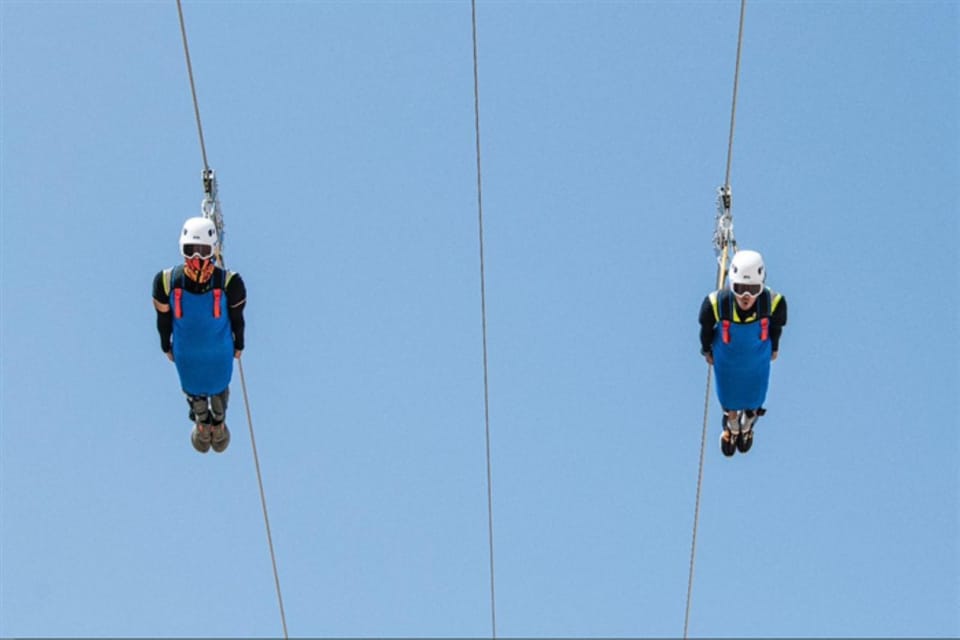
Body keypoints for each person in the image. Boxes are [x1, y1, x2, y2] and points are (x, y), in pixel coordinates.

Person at [152, 217, 246, 453]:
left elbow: (236, 318)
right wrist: (166, 345)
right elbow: (163, 318)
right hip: (193, 353)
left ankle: (214, 419)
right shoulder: (166, 282)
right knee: (199, 386)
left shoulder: (228, 283)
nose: (197, 259)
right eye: (191, 251)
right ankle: (204, 419)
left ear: (212, 250)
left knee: (213, 385)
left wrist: (239, 343)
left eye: (203, 252)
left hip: (210, 352)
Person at [699, 249, 787, 457]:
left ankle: (748, 422)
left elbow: (776, 327)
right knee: (729, 396)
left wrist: (774, 347)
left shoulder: (773, 303)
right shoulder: (717, 304)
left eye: (753, 289)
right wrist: (706, 350)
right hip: (728, 359)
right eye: (740, 289)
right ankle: (731, 423)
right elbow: (705, 330)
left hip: (755, 358)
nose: (746, 297)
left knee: (755, 395)